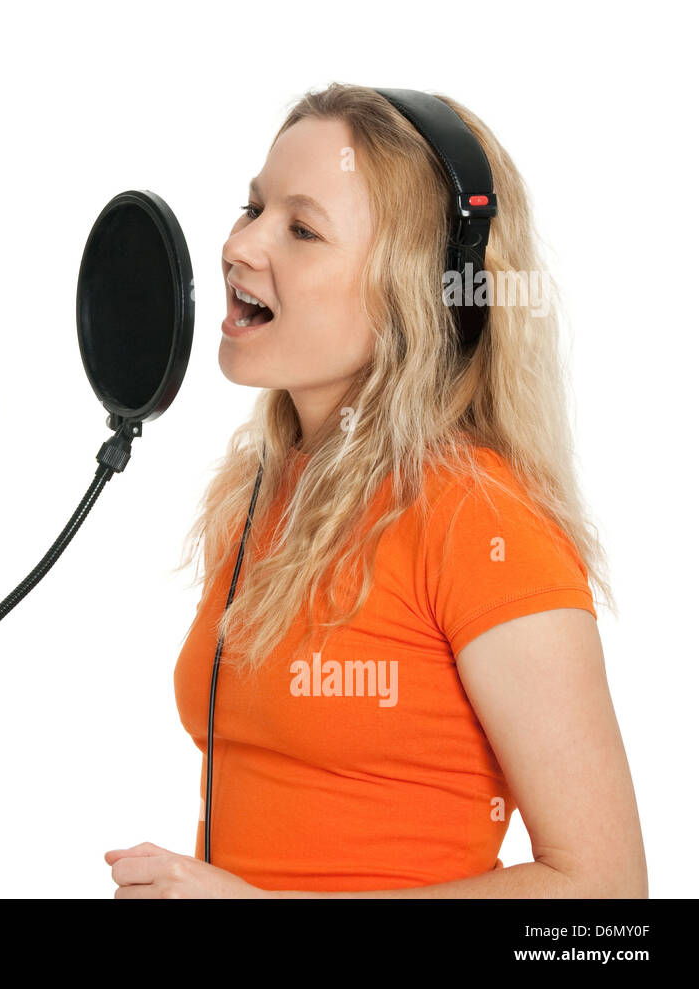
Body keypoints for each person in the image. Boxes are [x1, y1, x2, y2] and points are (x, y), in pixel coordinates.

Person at [104, 83, 647, 899]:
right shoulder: (260, 497)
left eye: (301, 228)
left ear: (419, 290)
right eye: (250, 208)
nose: (240, 246)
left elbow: (606, 896)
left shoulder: (481, 520)